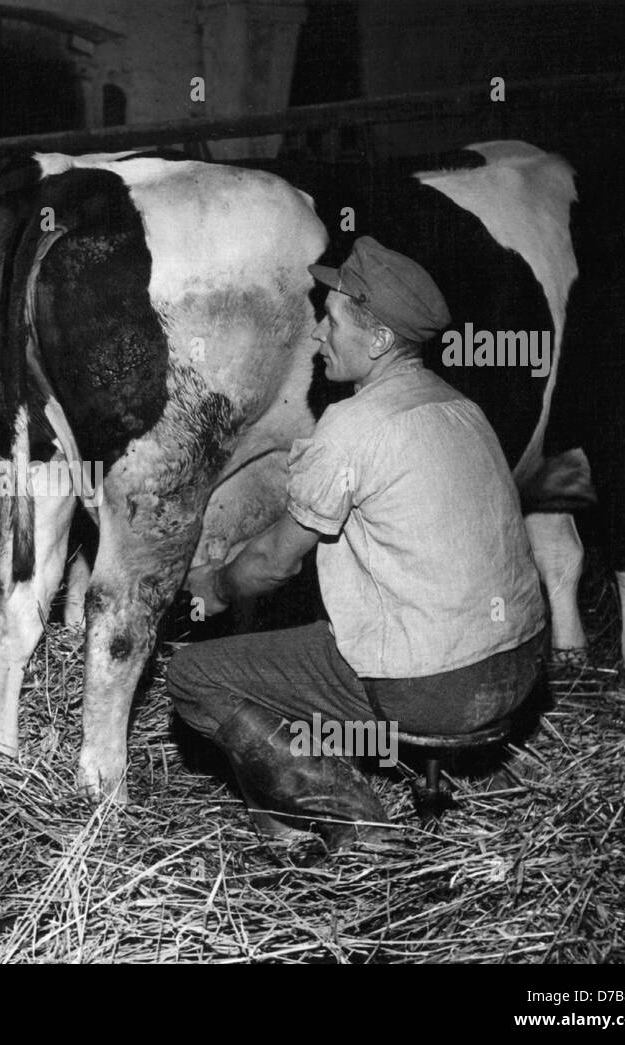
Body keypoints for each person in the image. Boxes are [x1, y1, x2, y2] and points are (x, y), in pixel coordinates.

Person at [174, 236, 547, 849]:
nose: (318, 335)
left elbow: (273, 563)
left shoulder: (353, 425)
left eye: (331, 319)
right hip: (521, 661)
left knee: (195, 676)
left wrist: (211, 585)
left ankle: (357, 820)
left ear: (378, 342)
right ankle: (280, 815)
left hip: (438, 687)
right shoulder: (462, 408)